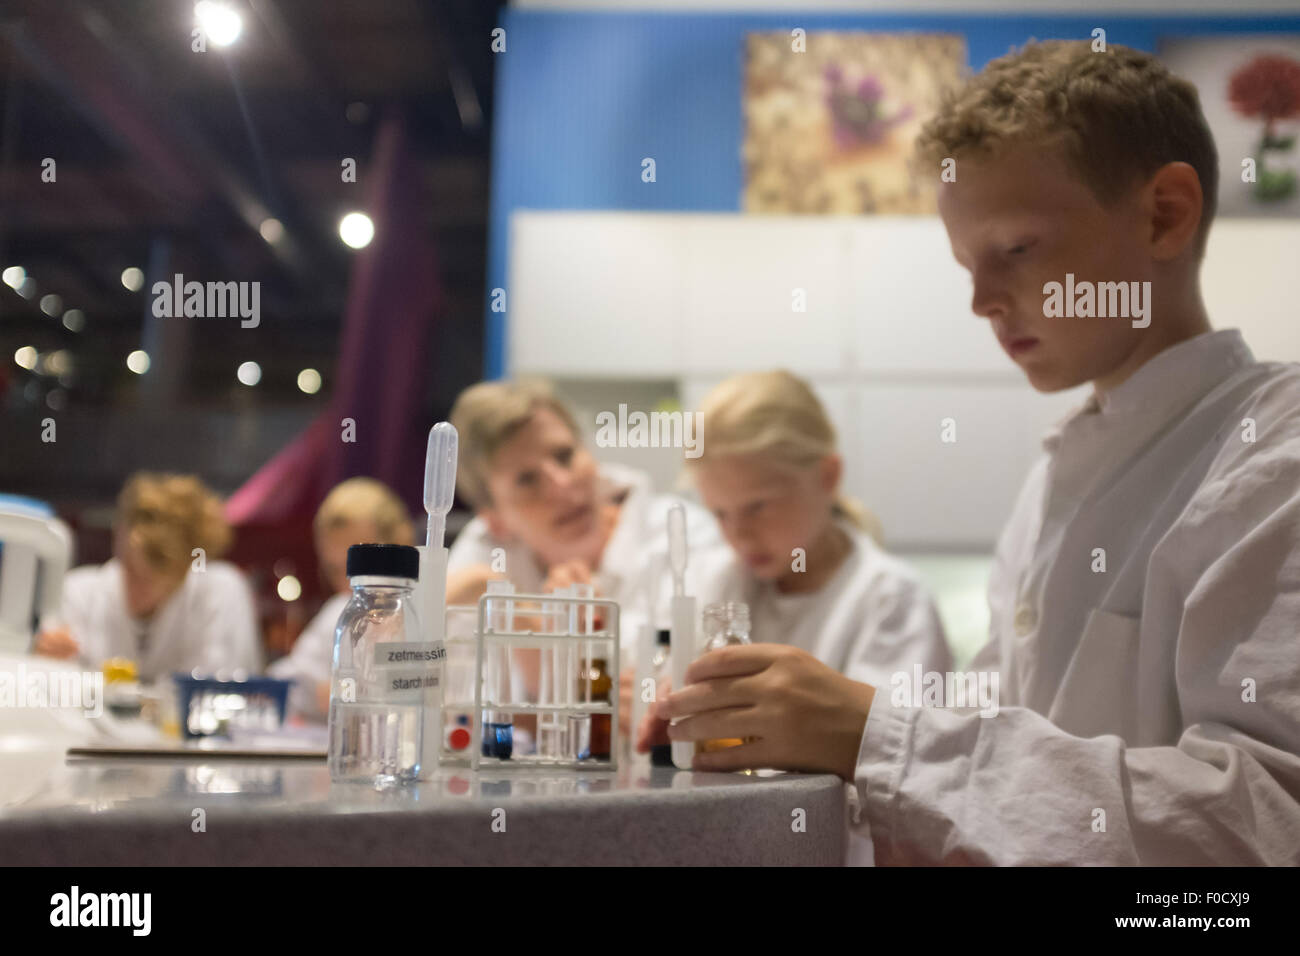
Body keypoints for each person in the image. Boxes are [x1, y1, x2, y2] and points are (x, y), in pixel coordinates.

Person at [641, 41, 1300, 864]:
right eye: (967, 265)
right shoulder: (1052, 480)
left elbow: (1269, 827)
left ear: (1164, 214)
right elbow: (996, 793)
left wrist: (876, 737)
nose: (983, 300)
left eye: (1017, 249)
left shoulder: (1276, 458)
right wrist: (796, 744)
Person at [447, 378, 722, 729]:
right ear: (495, 519)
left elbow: (673, 696)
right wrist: (507, 604)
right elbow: (446, 697)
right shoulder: (486, 550)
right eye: (527, 479)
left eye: (565, 456)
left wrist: (559, 672)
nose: (562, 484)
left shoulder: (683, 535)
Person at [688, 370, 950, 685]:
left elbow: (888, 732)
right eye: (719, 513)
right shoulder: (720, 582)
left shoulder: (892, 602)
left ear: (828, 476)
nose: (739, 535)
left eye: (757, 507)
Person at [35, 473, 261, 681]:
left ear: (184, 570)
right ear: (118, 539)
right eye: (128, 568)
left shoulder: (218, 593)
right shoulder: (78, 593)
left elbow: (219, 689)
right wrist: (45, 662)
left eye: (149, 579)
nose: (132, 587)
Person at [268, 478, 415, 721]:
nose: (349, 585)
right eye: (335, 569)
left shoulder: (426, 608)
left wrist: (343, 690)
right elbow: (284, 683)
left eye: (358, 568)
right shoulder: (341, 608)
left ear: (398, 545)